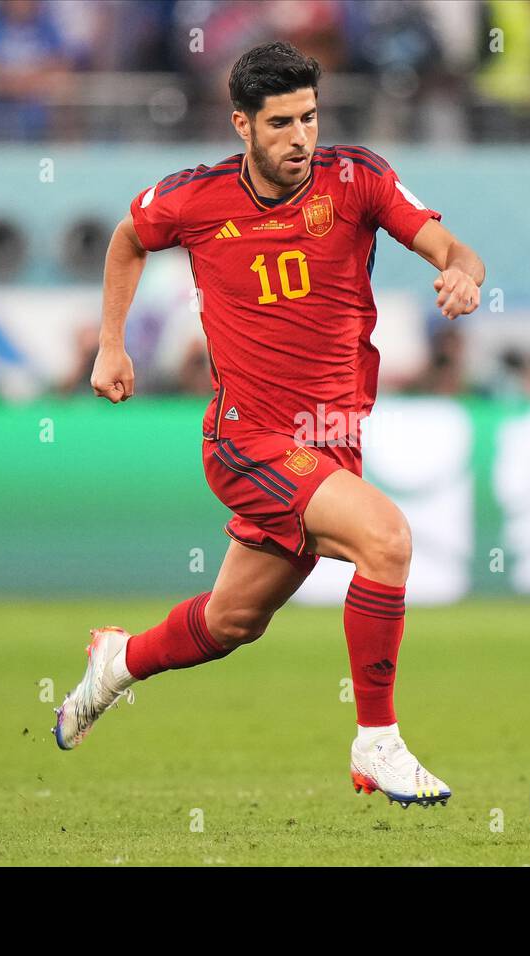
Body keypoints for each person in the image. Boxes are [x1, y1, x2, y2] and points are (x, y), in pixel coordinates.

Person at [54, 41, 484, 809]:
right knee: (386, 539)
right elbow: (128, 238)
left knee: (231, 622)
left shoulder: (359, 181)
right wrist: (111, 345)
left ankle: (116, 664)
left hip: (329, 446)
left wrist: (459, 273)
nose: (301, 137)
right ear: (242, 126)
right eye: (281, 122)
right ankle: (376, 742)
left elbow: (451, 246)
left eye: (310, 117)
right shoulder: (194, 199)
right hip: (247, 441)